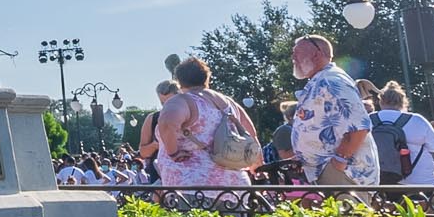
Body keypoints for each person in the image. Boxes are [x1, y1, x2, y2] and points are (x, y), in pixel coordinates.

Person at [151, 56, 261, 194]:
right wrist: (256, 162)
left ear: (179, 81)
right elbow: (251, 134)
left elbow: (167, 123)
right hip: (235, 187)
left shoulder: (182, 101)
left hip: (192, 187)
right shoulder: (229, 103)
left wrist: (173, 152)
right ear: (207, 77)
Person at [286, 35, 376, 187]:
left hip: (343, 174)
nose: (293, 57)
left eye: (297, 52)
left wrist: (339, 162)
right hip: (326, 173)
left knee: (347, 205)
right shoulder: (321, 81)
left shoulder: (331, 81)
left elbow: (359, 126)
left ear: (316, 54)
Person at [368, 83, 434, 185]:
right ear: (403, 102)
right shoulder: (417, 120)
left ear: (381, 101)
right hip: (419, 181)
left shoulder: (369, 119)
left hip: (380, 181)